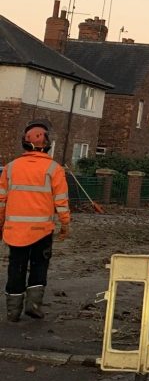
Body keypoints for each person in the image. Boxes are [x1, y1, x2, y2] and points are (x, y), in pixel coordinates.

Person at [0, 120, 71, 322]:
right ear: (46, 144)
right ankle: (33, 305)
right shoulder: (54, 169)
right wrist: (65, 224)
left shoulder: (10, 168)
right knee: (39, 265)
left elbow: (1, 200)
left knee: (16, 267)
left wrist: (0, 223)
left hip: (15, 230)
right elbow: (61, 201)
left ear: (24, 142)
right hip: (42, 230)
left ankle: (13, 311)